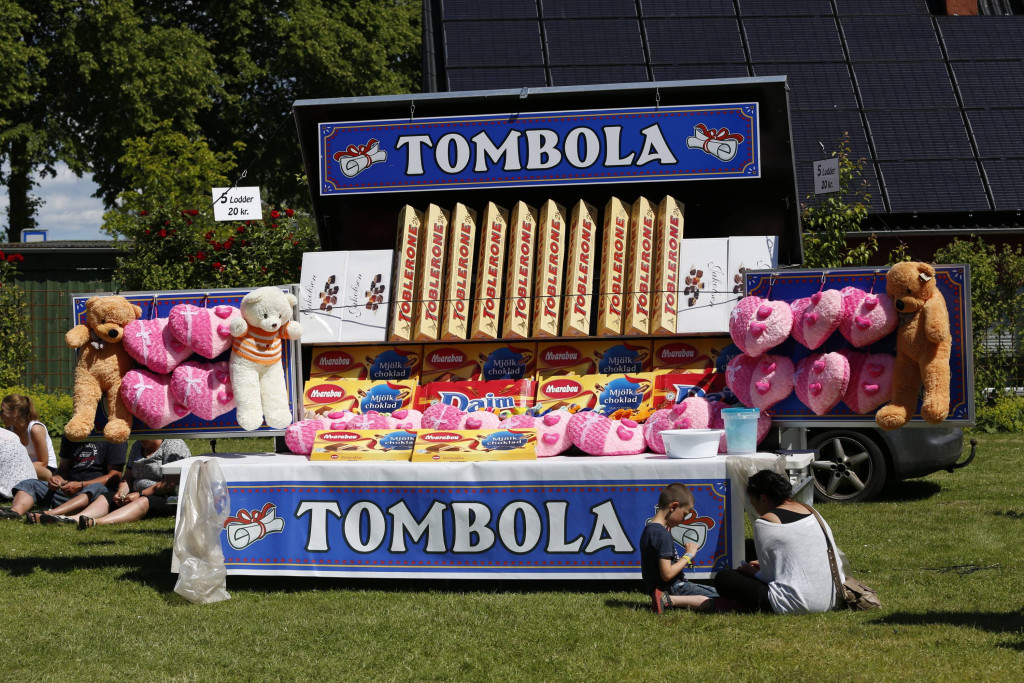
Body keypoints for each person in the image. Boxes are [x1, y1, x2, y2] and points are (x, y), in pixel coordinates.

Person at [713, 470, 842, 614]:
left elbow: (768, 577)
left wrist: (752, 571)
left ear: (763, 499)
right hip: (834, 596)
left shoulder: (765, 523)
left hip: (798, 603)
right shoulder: (812, 512)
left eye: (752, 502)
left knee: (724, 578)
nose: (753, 508)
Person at [29, 439, 190, 528]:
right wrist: (122, 493)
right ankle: (74, 518)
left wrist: (140, 494)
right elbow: (127, 477)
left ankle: (97, 522)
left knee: (144, 501)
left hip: (169, 497)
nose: (139, 437)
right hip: (136, 493)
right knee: (107, 496)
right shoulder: (137, 446)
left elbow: (170, 483)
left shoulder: (173, 444)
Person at [640, 482, 719, 614]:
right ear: (674, 506)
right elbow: (667, 574)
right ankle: (667, 600)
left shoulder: (649, 530)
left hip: (657, 587)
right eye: (684, 514)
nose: (683, 520)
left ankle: (666, 599)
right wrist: (688, 555)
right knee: (725, 597)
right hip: (674, 587)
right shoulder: (662, 534)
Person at [0, 439, 127, 520]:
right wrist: (56, 479)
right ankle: (14, 513)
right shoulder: (71, 435)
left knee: (95, 488)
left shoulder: (112, 437)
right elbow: (63, 469)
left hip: (97, 494)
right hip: (67, 490)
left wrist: (82, 485)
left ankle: (51, 514)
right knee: (29, 484)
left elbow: (115, 476)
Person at [1, 394, 57, 481]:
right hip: (24, 467)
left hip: (46, 470)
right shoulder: (10, 430)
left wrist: (15, 468)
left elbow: (43, 463)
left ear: (14, 413)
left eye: (2, 411)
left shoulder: (35, 429)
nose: (1, 415)